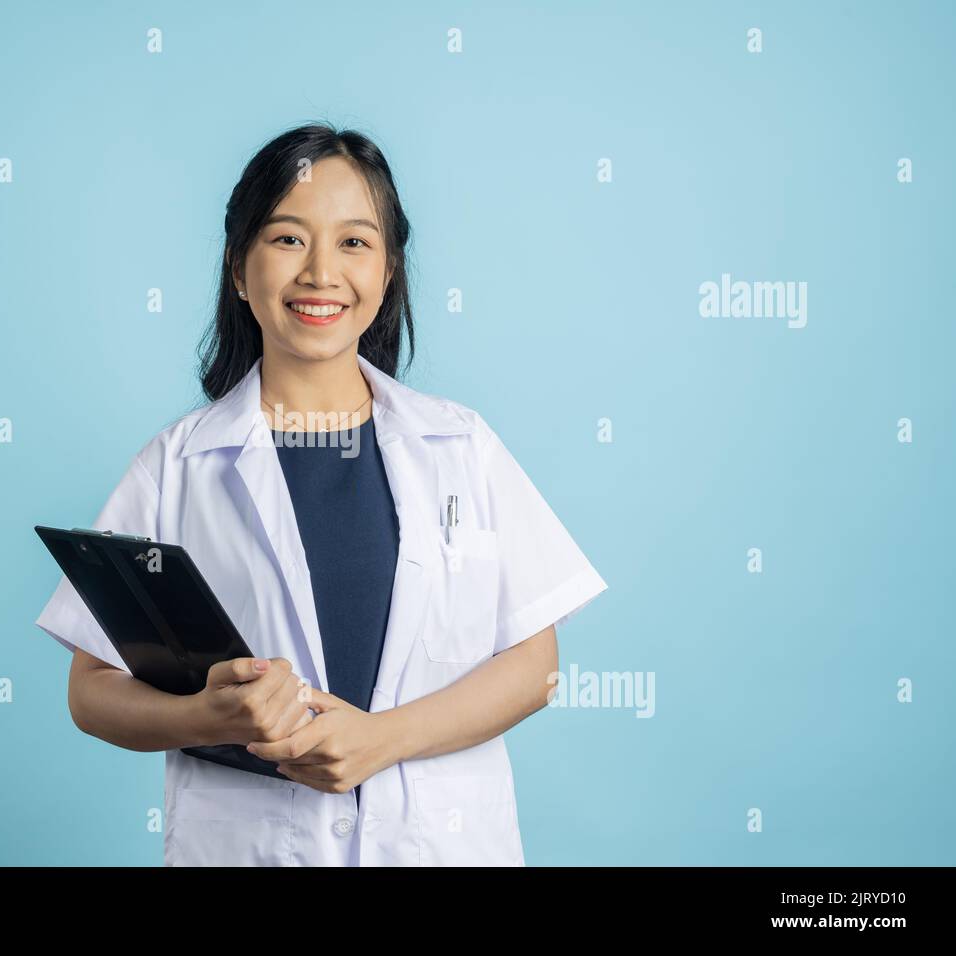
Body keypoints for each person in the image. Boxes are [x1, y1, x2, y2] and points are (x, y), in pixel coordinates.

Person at [35, 123, 607, 866]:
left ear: (391, 271)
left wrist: (380, 741)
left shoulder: (461, 446)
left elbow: (536, 667)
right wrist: (202, 714)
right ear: (239, 268)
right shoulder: (177, 465)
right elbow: (91, 691)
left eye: (354, 242)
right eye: (286, 240)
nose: (320, 273)